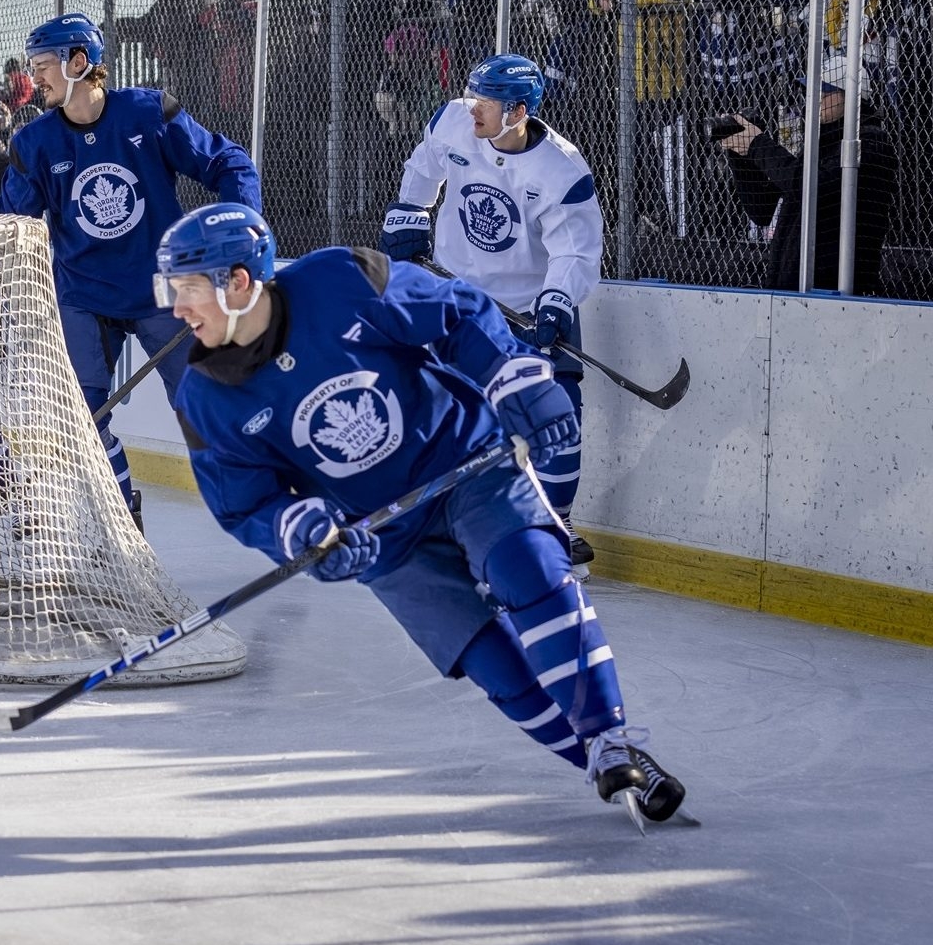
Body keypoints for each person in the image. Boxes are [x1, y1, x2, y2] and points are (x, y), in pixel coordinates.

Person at [154, 202, 689, 827]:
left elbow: (457, 312)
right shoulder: (205, 397)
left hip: (467, 463)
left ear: (238, 282)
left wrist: (510, 373)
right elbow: (245, 501)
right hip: (384, 535)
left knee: (531, 572)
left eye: (188, 289)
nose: (177, 309)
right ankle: (599, 759)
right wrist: (297, 530)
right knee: (486, 659)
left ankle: (612, 735)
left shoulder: (343, 278)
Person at [0, 12, 261, 527]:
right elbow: (11, 225)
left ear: (80, 61)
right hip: (84, 296)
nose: (37, 77)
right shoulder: (35, 143)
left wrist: (235, 235)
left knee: (210, 409)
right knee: (81, 419)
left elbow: (229, 164)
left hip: (165, 292)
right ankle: (121, 519)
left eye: (45, 64)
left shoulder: (147, 112)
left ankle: (280, 503)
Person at [380, 54, 601, 566]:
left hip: (526, 303)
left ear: (518, 111)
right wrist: (410, 211)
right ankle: (444, 518)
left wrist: (558, 300)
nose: (472, 107)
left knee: (555, 412)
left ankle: (555, 525)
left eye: (486, 101)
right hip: (456, 295)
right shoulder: (453, 121)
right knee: (444, 405)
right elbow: (423, 166)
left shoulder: (561, 170)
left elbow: (576, 250)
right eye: (472, 95)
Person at [718, 53, 897, 296]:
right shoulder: (818, 142)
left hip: (837, 287)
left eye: (826, 93)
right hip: (792, 283)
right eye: (814, 92)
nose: (816, 100)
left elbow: (808, 185)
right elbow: (762, 210)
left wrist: (756, 145)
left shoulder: (870, 141)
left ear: (853, 98)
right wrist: (741, 154)